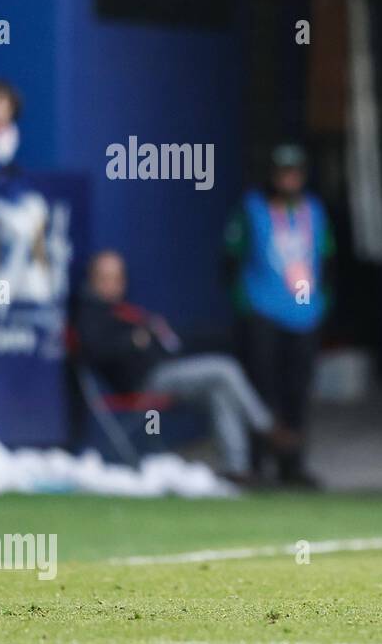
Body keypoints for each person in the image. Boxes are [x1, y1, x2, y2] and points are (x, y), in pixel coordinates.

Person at [76, 250, 294, 484]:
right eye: (105, 278)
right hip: (143, 384)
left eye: (117, 278)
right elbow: (93, 351)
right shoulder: (90, 312)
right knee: (224, 369)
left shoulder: (125, 311)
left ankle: (236, 468)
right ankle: (266, 427)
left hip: (167, 373)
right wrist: (132, 341)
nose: (113, 284)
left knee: (219, 391)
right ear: (93, 279)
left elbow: (173, 345)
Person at [224, 142, 333, 488]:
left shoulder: (313, 210)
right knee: (259, 388)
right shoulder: (252, 208)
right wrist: (246, 307)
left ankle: (292, 465)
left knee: (296, 392)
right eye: (282, 171)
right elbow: (229, 259)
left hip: (304, 315)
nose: (289, 177)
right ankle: (255, 464)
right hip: (263, 313)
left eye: (295, 171)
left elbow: (328, 259)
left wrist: (321, 303)